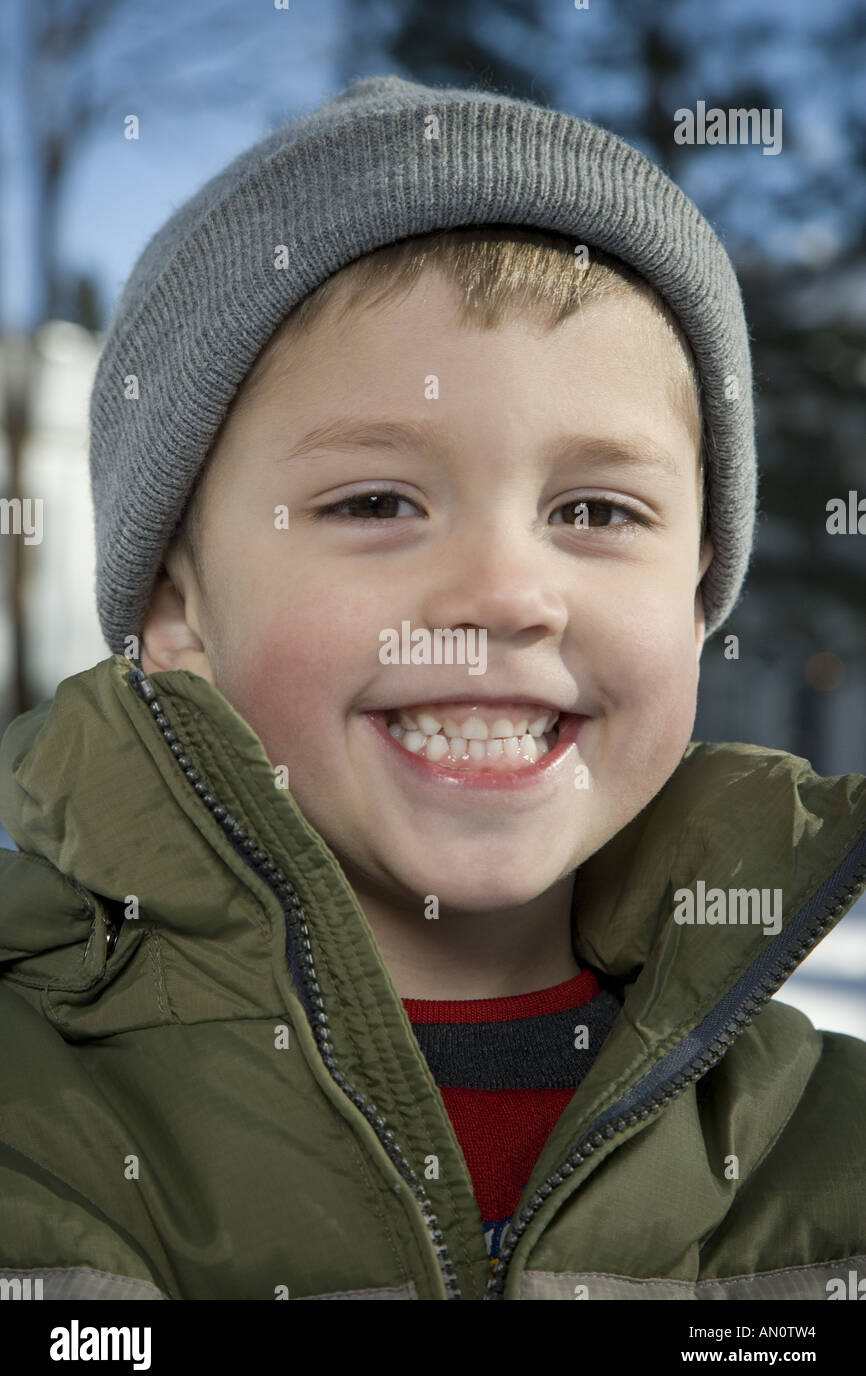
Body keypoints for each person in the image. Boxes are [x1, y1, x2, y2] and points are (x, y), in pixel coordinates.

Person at [1, 74, 864, 1302]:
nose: (508, 592)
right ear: (176, 608)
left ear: (693, 598)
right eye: (375, 503)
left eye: (593, 509)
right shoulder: (34, 1138)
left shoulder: (824, 1155)